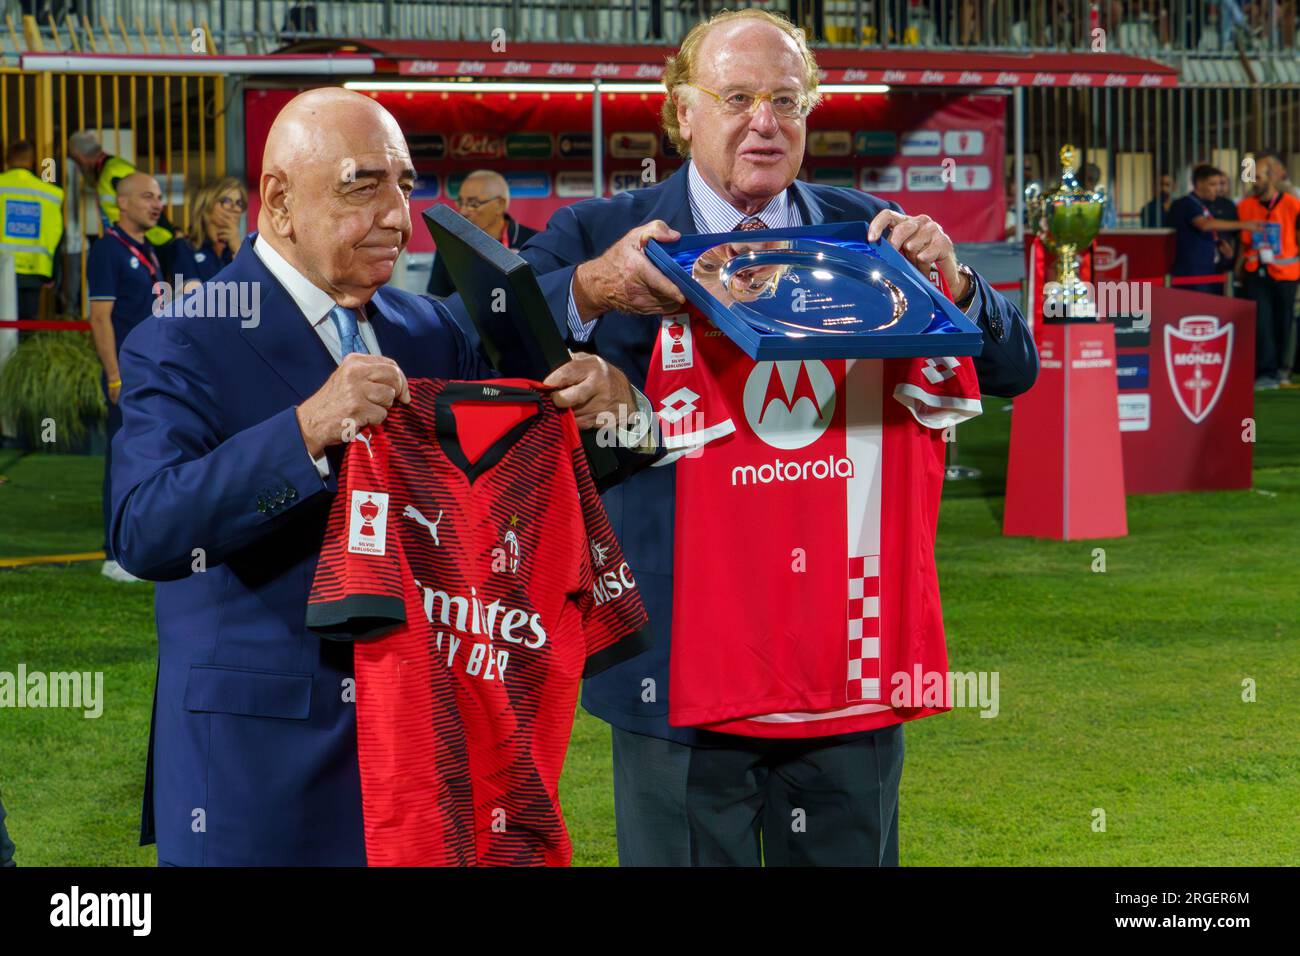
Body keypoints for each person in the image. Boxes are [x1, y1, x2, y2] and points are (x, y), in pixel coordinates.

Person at [516, 9, 1038, 866]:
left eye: (787, 101)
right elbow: (481, 333)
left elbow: (1013, 368)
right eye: (738, 97)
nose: (765, 121)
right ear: (682, 110)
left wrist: (960, 282)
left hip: (846, 663)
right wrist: (595, 288)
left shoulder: (868, 237)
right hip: (673, 667)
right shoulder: (600, 231)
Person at [108, 88, 641, 866]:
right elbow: (143, 528)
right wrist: (306, 431)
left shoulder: (427, 330)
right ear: (280, 201)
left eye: (405, 183)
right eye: (363, 184)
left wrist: (613, 415)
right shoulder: (183, 338)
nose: (397, 214)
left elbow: (504, 488)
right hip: (259, 773)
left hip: (429, 751)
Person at [87, 172, 165, 584]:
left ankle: (140, 547)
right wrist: (114, 377)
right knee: (121, 463)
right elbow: (100, 318)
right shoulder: (107, 250)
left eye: (159, 197)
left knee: (146, 461)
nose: (157, 204)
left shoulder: (149, 249)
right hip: (127, 376)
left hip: (151, 372)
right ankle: (112, 554)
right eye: (147, 197)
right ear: (123, 203)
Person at [1238, 151, 1300, 388]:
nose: (1254, 181)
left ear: (1272, 176)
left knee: (1284, 322)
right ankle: (1266, 372)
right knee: (1262, 323)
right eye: (1251, 177)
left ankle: (1283, 370)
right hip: (1255, 272)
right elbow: (1240, 243)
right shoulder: (1244, 207)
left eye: (1259, 176)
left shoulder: (1293, 205)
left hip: (1287, 273)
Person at [426, 169, 537, 298]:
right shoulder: (450, 244)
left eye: (473, 204)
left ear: (500, 205)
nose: (463, 212)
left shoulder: (533, 242)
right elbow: (437, 301)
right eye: (461, 202)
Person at [1168, 164, 1263, 295]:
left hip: (1208, 270)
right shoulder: (1186, 204)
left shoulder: (1203, 205)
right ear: (1199, 184)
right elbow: (1205, 225)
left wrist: (1218, 243)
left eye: (1219, 184)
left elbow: (1205, 230)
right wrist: (1244, 224)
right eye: (1212, 184)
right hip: (1191, 272)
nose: (1217, 189)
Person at [68, 130, 173, 248]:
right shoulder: (107, 170)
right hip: (137, 242)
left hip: (153, 241)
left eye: (77, 161)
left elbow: (149, 200)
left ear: (81, 158)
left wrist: (169, 231)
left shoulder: (114, 171)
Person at [0, 140, 64, 330]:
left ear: (7, 160)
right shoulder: (50, 193)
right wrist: (54, 273)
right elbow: (56, 235)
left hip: (2, 266)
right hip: (34, 270)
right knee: (27, 325)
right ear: (33, 162)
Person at [169, 177, 247, 290]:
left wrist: (238, 248)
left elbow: (256, 294)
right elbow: (194, 299)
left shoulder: (239, 251)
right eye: (227, 201)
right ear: (207, 204)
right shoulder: (183, 247)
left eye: (239, 203)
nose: (235, 208)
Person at [1209, 169, 1242, 279]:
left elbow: (1237, 235)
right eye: (1215, 184)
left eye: (1223, 184)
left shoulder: (1230, 206)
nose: (1219, 188)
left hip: (1226, 260)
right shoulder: (1204, 203)